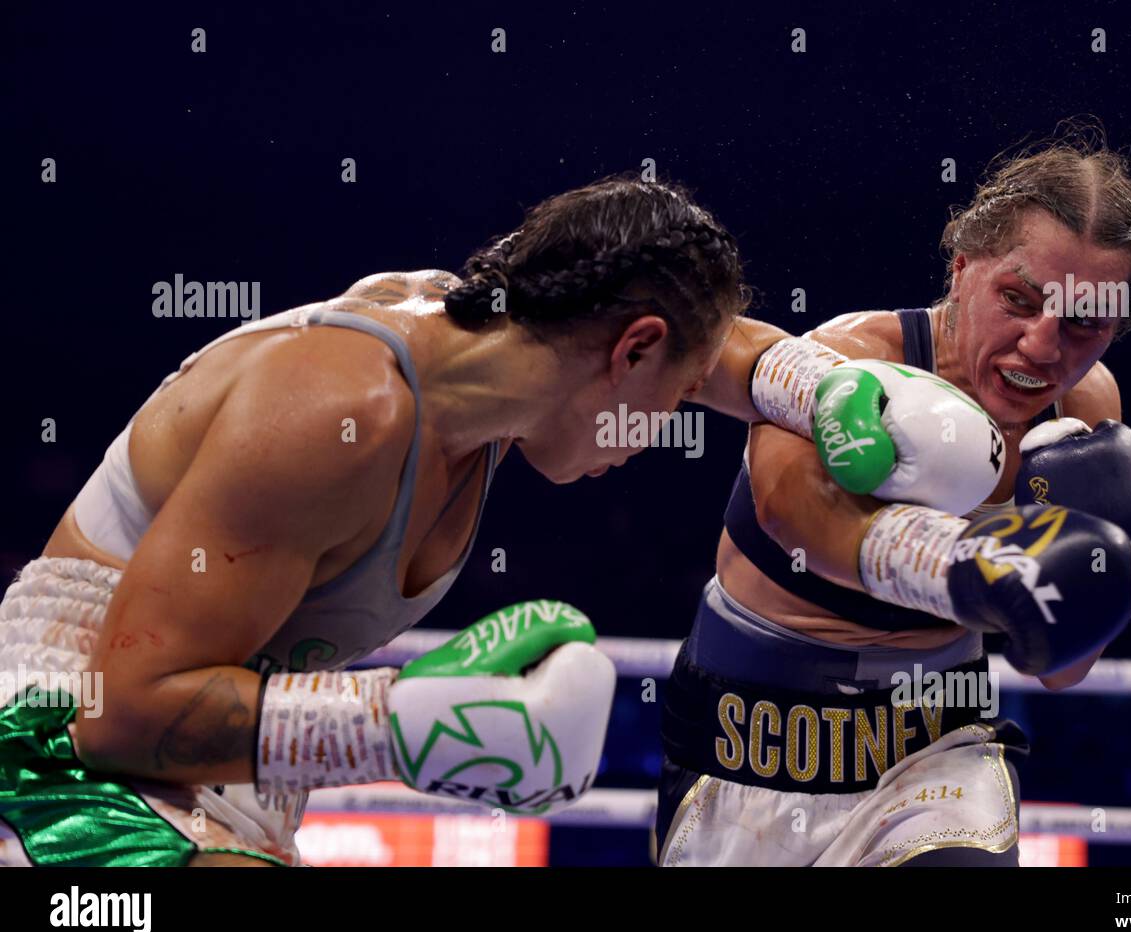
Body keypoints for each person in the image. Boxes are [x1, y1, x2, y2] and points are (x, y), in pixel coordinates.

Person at [0, 174, 823, 867]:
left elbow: (714, 342)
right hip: (62, 736)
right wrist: (401, 725)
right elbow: (121, 717)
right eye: (676, 399)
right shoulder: (341, 411)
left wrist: (824, 390)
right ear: (634, 349)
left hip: (220, 771)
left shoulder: (494, 366)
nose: (657, 433)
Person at [657, 135, 1131, 866]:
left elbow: (1056, 668)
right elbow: (785, 509)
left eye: (1084, 322)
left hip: (935, 747)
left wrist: (1106, 571)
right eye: (1018, 299)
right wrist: (959, 562)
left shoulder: (1084, 413)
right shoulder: (854, 359)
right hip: (750, 744)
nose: (1041, 346)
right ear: (962, 272)